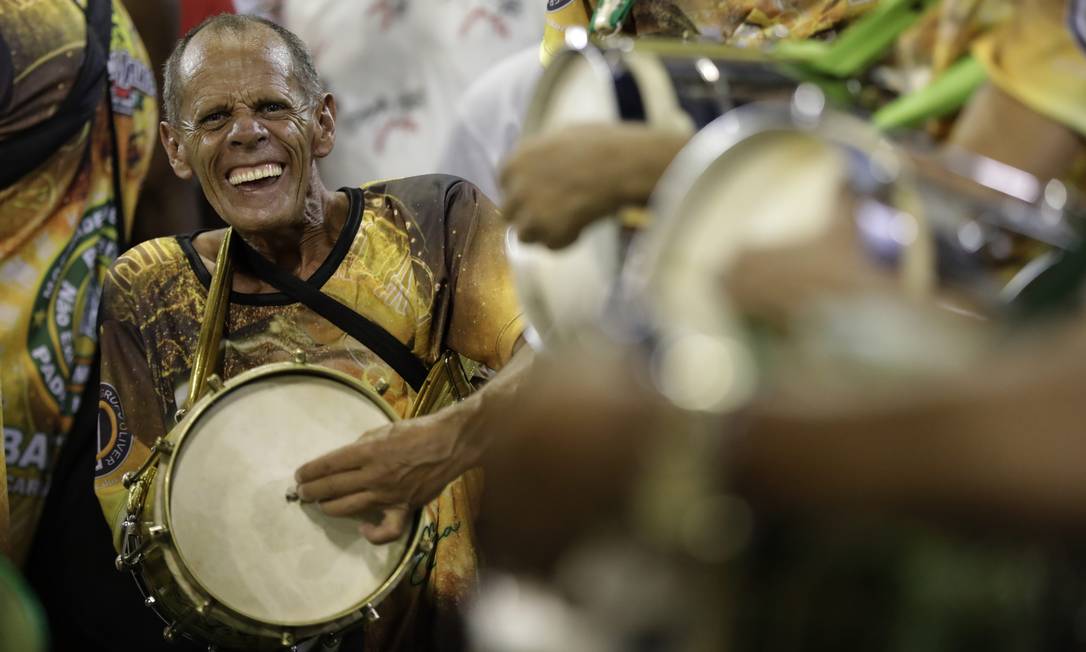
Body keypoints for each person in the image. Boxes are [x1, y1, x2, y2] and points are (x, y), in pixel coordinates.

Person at [95, 13, 528, 649]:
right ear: (175, 148)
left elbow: (558, 360)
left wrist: (442, 443)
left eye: (272, 106)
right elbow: (136, 519)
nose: (247, 132)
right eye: (214, 118)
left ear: (323, 122)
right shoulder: (151, 287)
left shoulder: (433, 221)